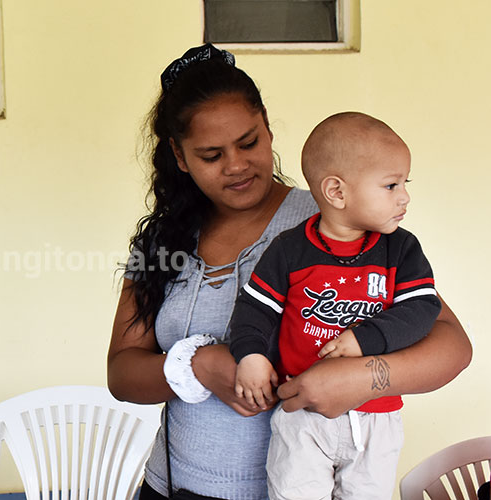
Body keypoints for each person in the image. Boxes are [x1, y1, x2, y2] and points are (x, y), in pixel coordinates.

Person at [106, 44, 471, 500]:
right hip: (173, 488)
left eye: (249, 142)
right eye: (211, 155)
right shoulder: (159, 243)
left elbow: (452, 346)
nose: (237, 165)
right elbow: (121, 375)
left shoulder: (334, 221)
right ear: (180, 157)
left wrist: (361, 377)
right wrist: (197, 368)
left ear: (268, 129)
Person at [228, 112, 442, 499]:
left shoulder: (401, 250)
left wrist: (365, 340)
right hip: (302, 418)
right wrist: (251, 356)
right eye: (391, 185)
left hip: (376, 419)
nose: (404, 196)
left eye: (404, 184)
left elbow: (422, 309)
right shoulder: (289, 251)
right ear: (337, 192)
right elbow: (254, 310)